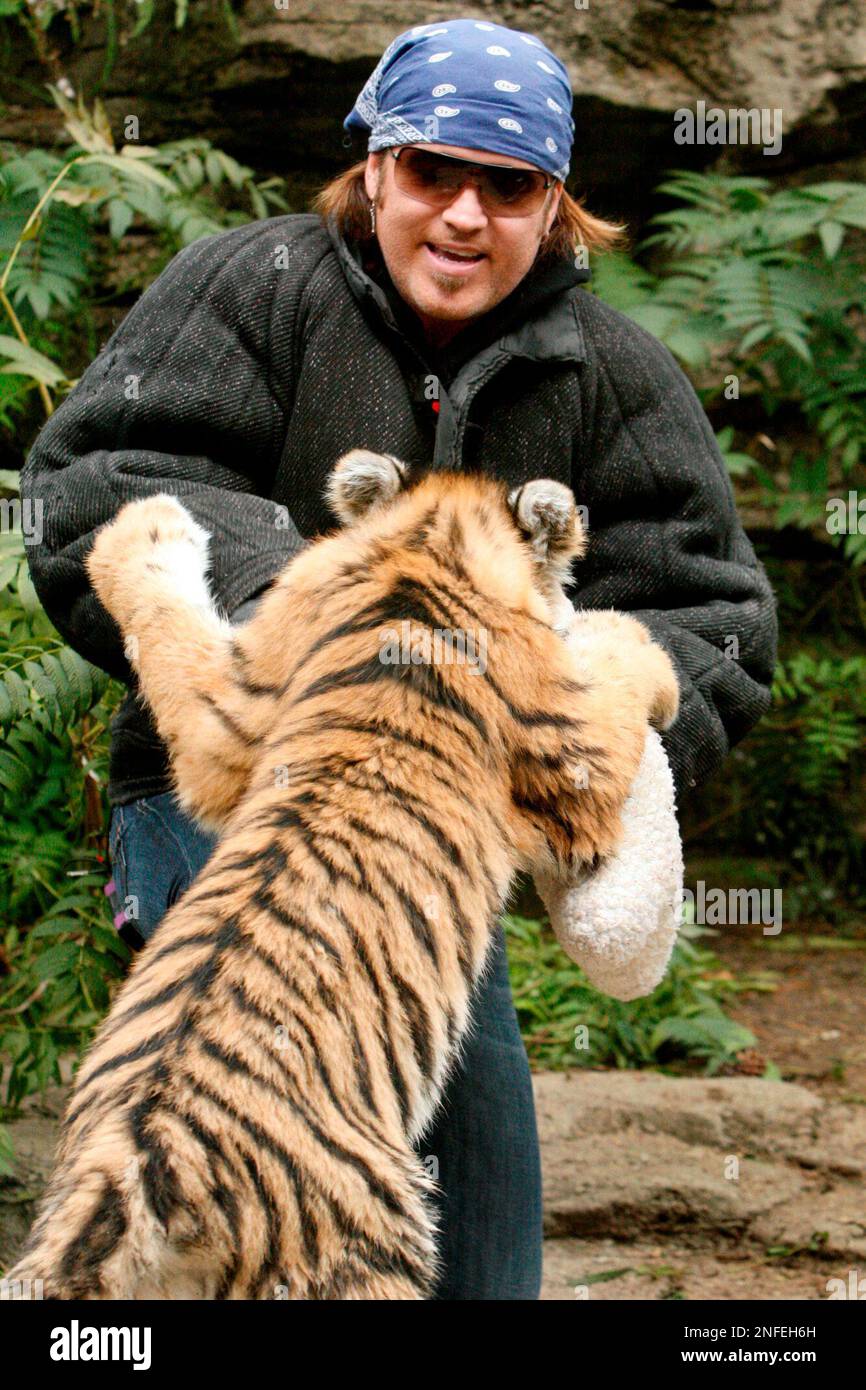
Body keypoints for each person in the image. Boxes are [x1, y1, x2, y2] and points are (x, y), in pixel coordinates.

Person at [20, 17, 778, 1300]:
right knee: (244, 1127)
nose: (464, 214)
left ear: (555, 205)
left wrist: (600, 714)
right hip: (233, 770)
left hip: (438, 829)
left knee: (478, 1228)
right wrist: (322, 621)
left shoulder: (615, 373)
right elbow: (97, 489)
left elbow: (717, 617)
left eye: (508, 185)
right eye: (433, 171)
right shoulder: (248, 286)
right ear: (372, 168)